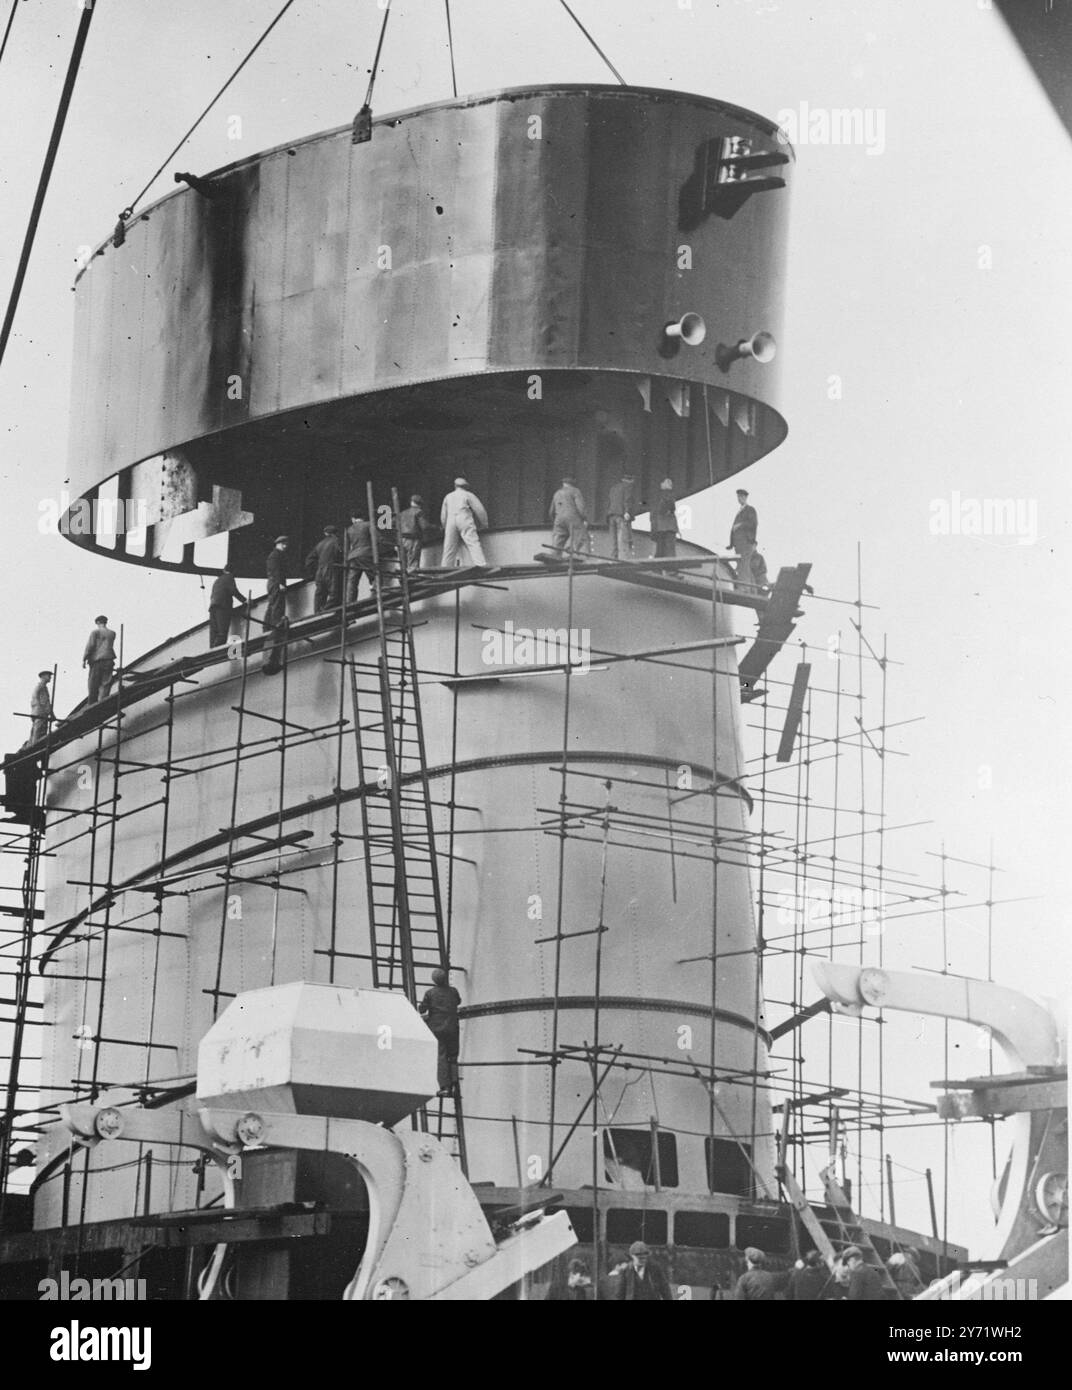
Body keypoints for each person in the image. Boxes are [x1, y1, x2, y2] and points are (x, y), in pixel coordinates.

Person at [418, 967, 461, 1095]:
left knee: (442, 1057)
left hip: (437, 1029)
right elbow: (458, 1001)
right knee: (453, 1056)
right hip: (453, 1027)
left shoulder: (430, 993)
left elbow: (422, 1009)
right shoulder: (453, 991)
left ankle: (445, 1087)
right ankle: (454, 1083)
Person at [440, 478, 488, 568]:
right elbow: (480, 510)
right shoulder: (468, 495)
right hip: (464, 517)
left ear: (455, 486)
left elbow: (443, 515)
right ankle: (481, 564)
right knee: (472, 542)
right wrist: (484, 523)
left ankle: (445, 568)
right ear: (466, 487)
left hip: (450, 520)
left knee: (449, 547)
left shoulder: (448, 496)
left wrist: (444, 526)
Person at [263, 537, 289, 675]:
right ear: (278, 544)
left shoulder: (275, 555)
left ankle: (267, 625)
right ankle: (274, 625)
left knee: (272, 604)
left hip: (273, 582)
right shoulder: (275, 555)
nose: (285, 546)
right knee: (277, 604)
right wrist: (280, 583)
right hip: (275, 582)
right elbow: (276, 570)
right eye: (283, 544)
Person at [305, 525, 342, 613]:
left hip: (320, 571)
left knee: (320, 593)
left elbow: (309, 560)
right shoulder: (337, 541)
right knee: (335, 593)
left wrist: (313, 573)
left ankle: (317, 613)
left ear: (325, 533)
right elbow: (342, 553)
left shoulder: (319, 544)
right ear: (335, 533)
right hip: (331, 569)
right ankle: (326, 610)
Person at [549, 476, 588, 556]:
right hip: (572, 517)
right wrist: (584, 518)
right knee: (581, 538)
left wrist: (556, 521)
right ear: (572, 483)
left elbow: (551, 512)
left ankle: (554, 556)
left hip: (558, 519)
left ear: (563, 483)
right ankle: (577, 556)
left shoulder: (557, 493)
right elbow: (580, 507)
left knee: (558, 541)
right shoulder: (575, 491)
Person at [83, 616, 117, 704]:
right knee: (106, 683)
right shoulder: (112, 633)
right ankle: (103, 701)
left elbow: (90, 646)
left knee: (93, 683)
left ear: (98, 622)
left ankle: (92, 704)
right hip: (109, 659)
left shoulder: (95, 632)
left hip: (98, 660)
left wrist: (84, 659)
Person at [344, 511, 376, 605]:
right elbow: (377, 538)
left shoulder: (349, 529)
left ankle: (350, 602)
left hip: (353, 556)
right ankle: (375, 595)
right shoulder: (368, 524)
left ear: (353, 519)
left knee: (352, 581)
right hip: (366, 553)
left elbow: (346, 547)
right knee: (374, 575)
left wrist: (347, 559)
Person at [729, 487, 758, 587]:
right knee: (742, 565)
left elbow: (753, 524)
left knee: (743, 565)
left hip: (746, 543)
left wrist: (740, 525)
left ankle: (744, 588)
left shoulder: (750, 509)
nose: (739, 499)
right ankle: (751, 588)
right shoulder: (740, 511)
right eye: (738, 497)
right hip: (739, 544)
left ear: (745, 497)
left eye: (741, 497)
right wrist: (731, 544)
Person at [208, 565, 243, 646]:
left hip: (213, 607)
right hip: (222, 607)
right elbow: (233, 591)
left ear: (224, 570)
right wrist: (245, 601)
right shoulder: (229, 577)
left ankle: (212, 652)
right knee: (222, 633)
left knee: (214, 634)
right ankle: (217, 652)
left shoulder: (217, 580)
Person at [606, 473, 638, 560]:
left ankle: (613, 558)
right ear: (631, 480)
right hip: (621, 515)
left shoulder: (613, 488)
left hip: (611, 515)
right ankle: (622, 559)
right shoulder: (628, 486)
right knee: (623, 539)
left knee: (613, 540)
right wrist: (627, 512)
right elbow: (627, 500)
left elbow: (609, 502)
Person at [398, 495, 431, 574]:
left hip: (402, 539)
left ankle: (404, 581)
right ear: (420, 504)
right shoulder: (419, 512)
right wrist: (437, 528)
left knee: (403, 564)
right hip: (413, 539)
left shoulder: (402, 513)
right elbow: (424, 526)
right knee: (413, 564)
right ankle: (413, 581)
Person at [651, 479, 679, 558]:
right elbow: (672, 507)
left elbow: (654, 512)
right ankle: (670, 568)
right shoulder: (670, 494)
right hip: (669, 526)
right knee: (670, 551)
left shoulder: (657, 496)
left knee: (660, 549)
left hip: (659, 526)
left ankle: (658, 568)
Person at [28, 671, 53, 744]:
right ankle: (34, 747)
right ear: (43, 676)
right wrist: (49, 713)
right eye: (49, 676)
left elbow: (46, 703)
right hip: (41, 713)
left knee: (38, 732)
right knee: (38, 732)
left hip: (40, 713)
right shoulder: (41, 687)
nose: (50, 677)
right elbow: (41, 701)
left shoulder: (41, 687)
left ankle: (33, 745)